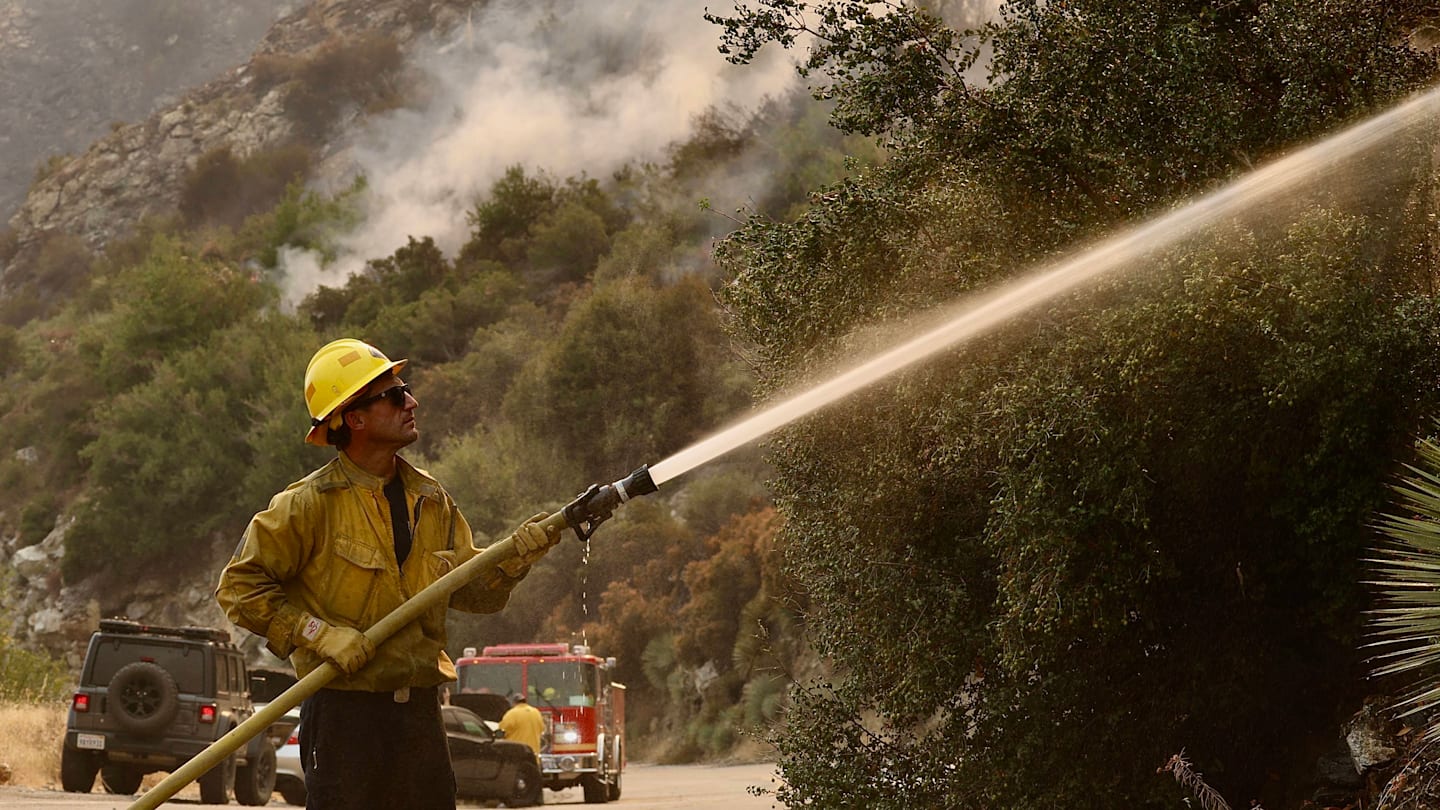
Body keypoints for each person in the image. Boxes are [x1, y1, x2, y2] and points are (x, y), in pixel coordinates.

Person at [216, 338, 560, 809]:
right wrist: (319, 634)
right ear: (353, 418)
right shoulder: (306, 506)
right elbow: (239, 589)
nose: (412, 403)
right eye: (396, 396)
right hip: (343, 716)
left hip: (419, 716)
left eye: (407, 391)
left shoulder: (431, 500)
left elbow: (473, 594)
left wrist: (514, 562)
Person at [499, 692, 546, 762]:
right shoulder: (536, 712)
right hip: (533, 755)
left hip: (517, 755)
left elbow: (502, 731)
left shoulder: (511, 713)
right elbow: (542, 728)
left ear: (514, 703)